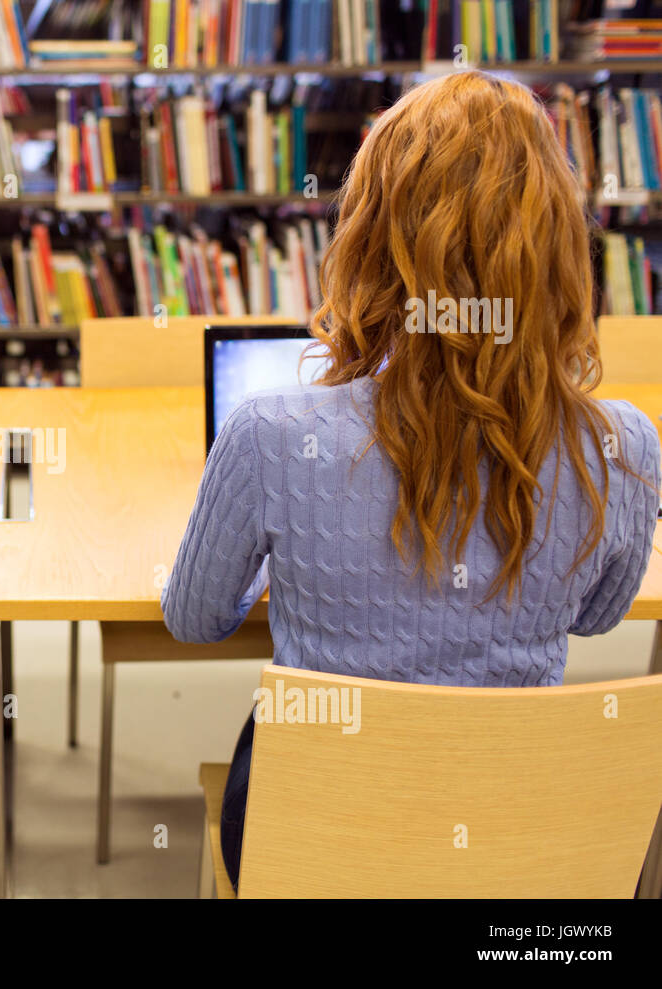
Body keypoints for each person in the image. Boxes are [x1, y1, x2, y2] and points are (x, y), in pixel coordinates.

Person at [160, 71, 661, 891]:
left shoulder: (271, 434)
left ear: (368, 237)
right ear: (562, 252)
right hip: (521, 846)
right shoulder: (623, 447)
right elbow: (600, 617)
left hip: (320, 836)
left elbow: (194, 618)